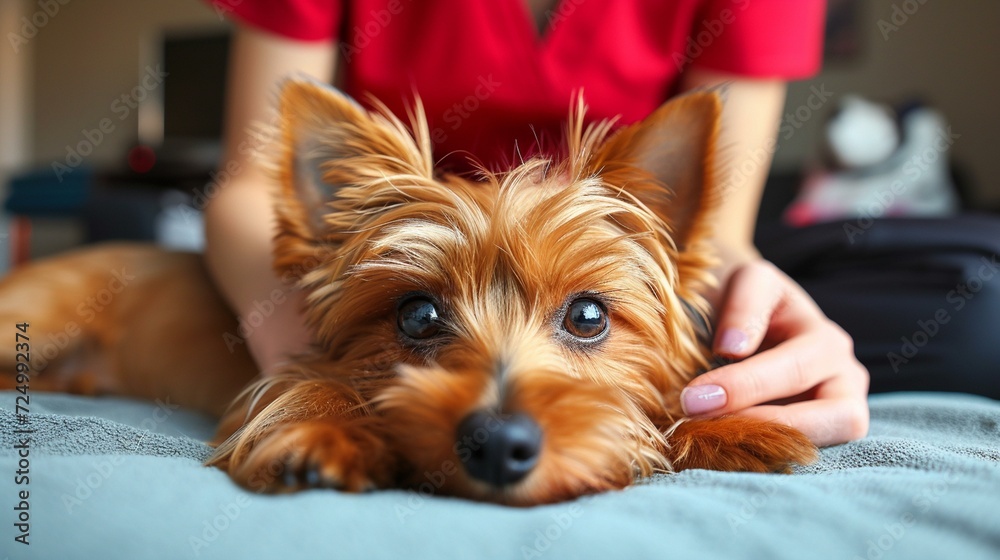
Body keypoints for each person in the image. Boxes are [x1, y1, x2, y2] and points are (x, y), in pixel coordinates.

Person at [203, 0, 870, 447]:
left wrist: (756, 319)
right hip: (372, 247)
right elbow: (255, 186)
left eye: (584, 320)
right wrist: (312, 376)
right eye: (420, 322)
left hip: (625, 251)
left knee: (971, 311)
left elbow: (706, 234)